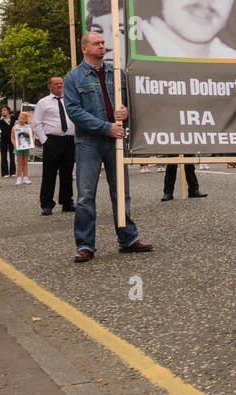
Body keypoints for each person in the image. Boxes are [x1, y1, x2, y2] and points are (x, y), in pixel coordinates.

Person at [64, 31, 152, 263]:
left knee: (121, 191)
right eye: (97, 44)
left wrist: (125, 112)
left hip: (116, 141)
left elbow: (130, 102)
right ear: (84, 48)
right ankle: (85, 245)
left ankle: (128, 238)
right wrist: (106, 127)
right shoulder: (73, 78)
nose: (102, 47)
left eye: (103, 43)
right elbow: (74, 111)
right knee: (85, 196)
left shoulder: (117, 73)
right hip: (88, 143)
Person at [33, 76, 76, 215]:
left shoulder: (70, 99)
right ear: (49, 87)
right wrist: (45, 141)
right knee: (49, 174)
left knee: (67, 173)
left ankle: (67, 201)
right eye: (56, 84)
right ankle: (46, 203)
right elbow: (37, 124)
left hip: (69, 140)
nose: (59, 86)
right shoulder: (43, 103)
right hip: (52, 141)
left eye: (61, 83)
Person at [12, 112, 34, 185]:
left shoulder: (29, 127)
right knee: (19, 163)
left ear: (26, 120)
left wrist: (32, 144)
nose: (22, 120)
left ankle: (25, 178)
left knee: (25, 163)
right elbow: (12, 138)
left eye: (24, 119)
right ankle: (18, 178)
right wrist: (15, 145)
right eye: (20, 118)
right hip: (18, 148)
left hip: (26, 148)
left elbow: (32, 136)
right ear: (18, 118)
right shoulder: (15, 127)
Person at [0, 105, 16, 178]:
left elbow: (21, 114)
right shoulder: (0, 121)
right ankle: (4, 173)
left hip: (12, 138)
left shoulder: (13, 118)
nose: (3, 111)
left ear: (8, 111)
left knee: (12, 155)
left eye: (5, 110)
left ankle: (13, 172)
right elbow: (4, 130)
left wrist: (26, 105)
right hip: (4, 139)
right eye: (2, 110)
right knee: (3, 156)